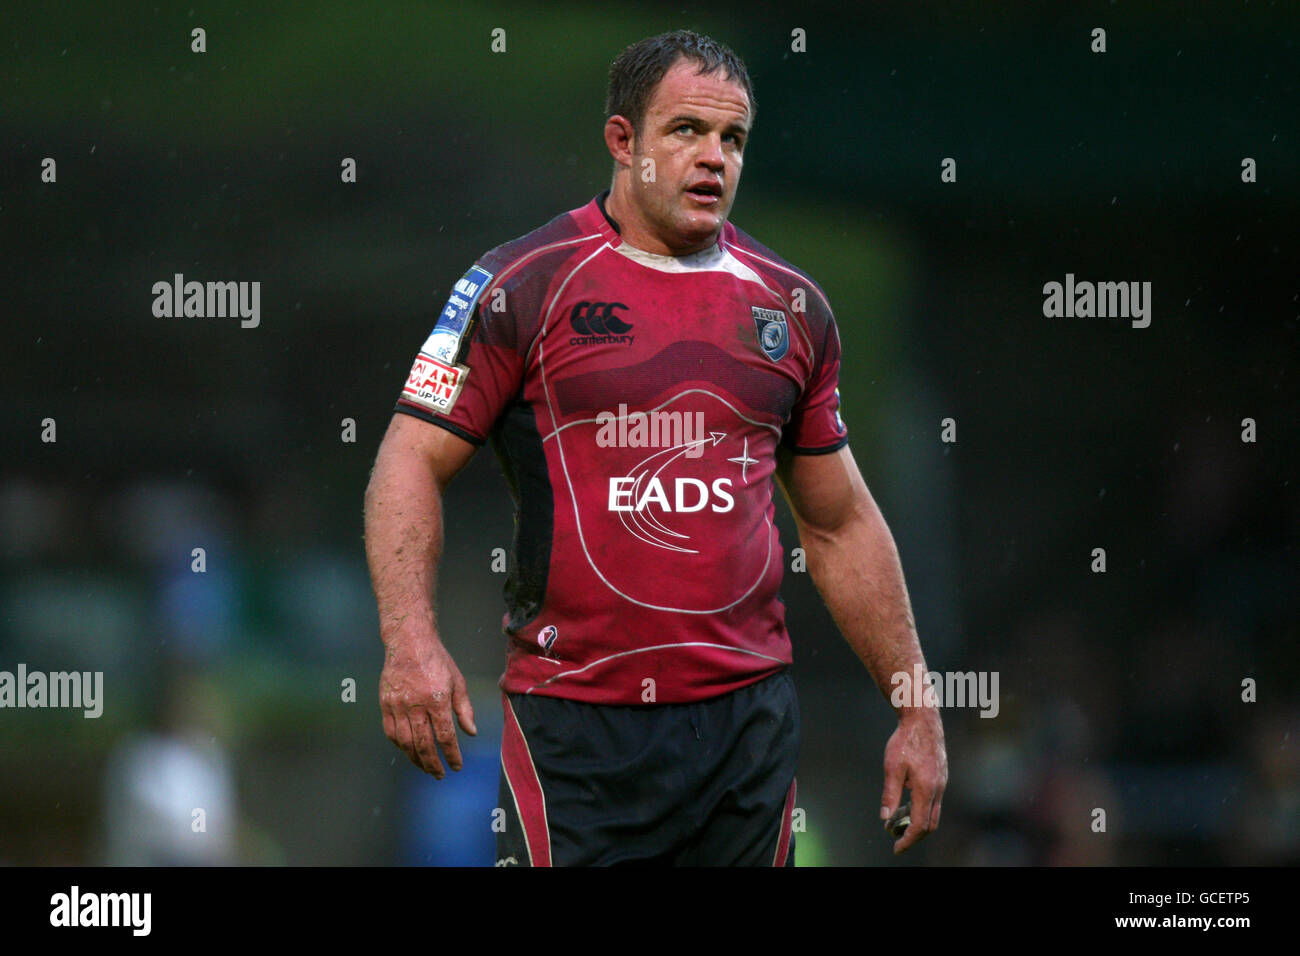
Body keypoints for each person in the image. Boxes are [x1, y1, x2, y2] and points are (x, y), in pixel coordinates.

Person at [363, 29, 946, 866]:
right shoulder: (520, 285)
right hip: (578, 730)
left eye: (732, 138)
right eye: (686, 131)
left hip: (745, 730)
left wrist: (916, 705)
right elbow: (408, 459)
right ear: (622, 140)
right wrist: (409, 642)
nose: (714, 158)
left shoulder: (793, 308)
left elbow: (840, 523)